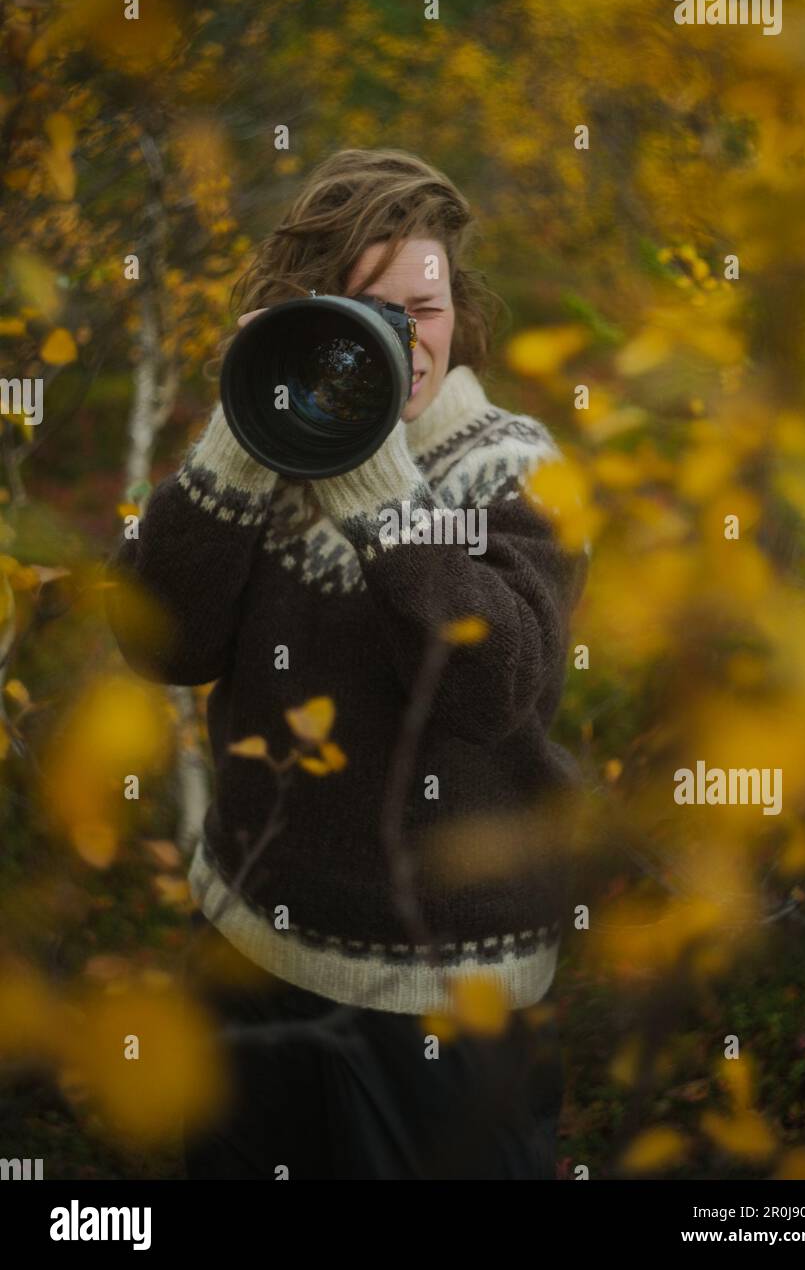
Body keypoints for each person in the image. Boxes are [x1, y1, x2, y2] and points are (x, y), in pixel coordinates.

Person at [104, 146, 589, 1180]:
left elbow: (496, 685)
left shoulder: (512, 465)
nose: (407, 342)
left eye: (426, 306)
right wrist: (241, 432)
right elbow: (161, 641)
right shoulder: (272, 444)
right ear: (309, 316)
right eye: (370, 311)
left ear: (458, 307)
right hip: (250, 947)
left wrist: (380, 490)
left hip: (442, 998)